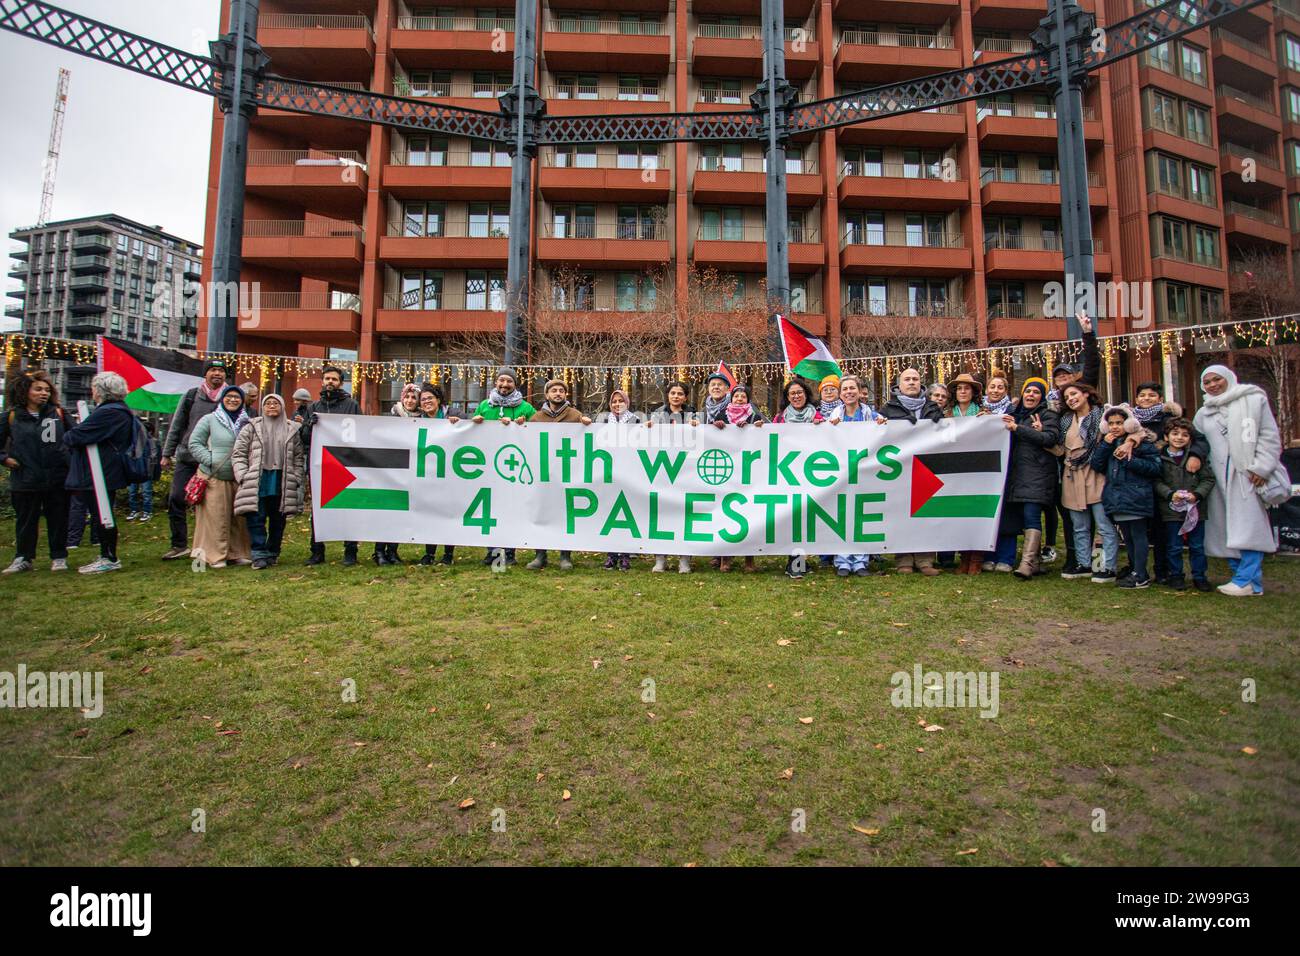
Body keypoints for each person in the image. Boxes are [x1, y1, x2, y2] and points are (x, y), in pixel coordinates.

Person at [1193, 365, 1283, 597]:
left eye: (1217, 380)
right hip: (1218, 479)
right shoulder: (1204, 413)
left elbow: (1269, 436)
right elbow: (1199, 443)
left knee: (1249, 526)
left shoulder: (1252, 400)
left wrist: (1262, 466)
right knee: (1226, 529)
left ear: (1229, 378)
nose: (1213, 385)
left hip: (1246, 474)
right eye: (1207, 382)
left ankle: (1246, 579)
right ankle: (1247, 579)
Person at [1131, 380, 1208, 585]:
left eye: (1151, 395)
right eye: (1142, 395)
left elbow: (1198, 439)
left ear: (1160, 399)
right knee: (1142, 527)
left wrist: (1196, 456)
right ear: (1136, 399)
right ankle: (1139, 568)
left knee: (1162, 528)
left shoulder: (1171, 419)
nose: (1146, 399)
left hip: (1167, 477)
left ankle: (1164, 570)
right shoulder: (1130, 419)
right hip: (1139, 479)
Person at [61, 371, 135, 574]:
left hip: (101, 471)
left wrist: (73, 432)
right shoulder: (117, 411)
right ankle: (106, 553)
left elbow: (75, 436)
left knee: (103, 515)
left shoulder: (110, 413)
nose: (91, 392)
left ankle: (109, 556)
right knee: (102, 514)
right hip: (102, 470)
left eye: (94, 388)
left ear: (102, 390)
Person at [1045, 312, 1101, 569]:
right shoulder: (1059, 410)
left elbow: (1092, 366)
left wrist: (1088, 334)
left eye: (1068, 378)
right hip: (1066, 467)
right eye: (1058, 379)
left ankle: (1100, 562)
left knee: (1099, 518)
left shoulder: (1091, 407)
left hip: (1092, 468)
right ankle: (1076, 559)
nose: (1064, 383)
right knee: (1072, 516)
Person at [1, 369, 70, 574]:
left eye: (47, 390)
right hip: (25, 477)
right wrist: (5, 459)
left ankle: (59, 556)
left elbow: (75, 438)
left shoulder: (58, 414)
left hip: (56, 477)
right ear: (25, 391)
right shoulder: (12, 417)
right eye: (38, 389)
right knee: (26, 519)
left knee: (58, 518)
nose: (44, 393)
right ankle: (23, 557)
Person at [159, 359, 228, 560]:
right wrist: (166, 453)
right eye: (213, 370)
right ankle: (179, 544)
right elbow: (177, 425)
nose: (217, 374)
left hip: (216, 460)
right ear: (205, 374)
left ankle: (211, 544)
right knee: (177, 498)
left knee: (212, 505)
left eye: (221, 371)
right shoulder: (191, 396)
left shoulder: (230, 397)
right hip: (188, 457)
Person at [1090, 404, 1161, 589]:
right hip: (1117, 497)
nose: (1114, 427)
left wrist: (1130, 460)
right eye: (1111, 423)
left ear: (1128, 423)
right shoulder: (1109, 442)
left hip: (1136, 496)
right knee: (1127, 536)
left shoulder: (1142, 444)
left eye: (1119, 423)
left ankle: (1141, 573)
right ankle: (1134, 569)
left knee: (1138, 536)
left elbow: (1155, 468)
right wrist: (1105, 445)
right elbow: (1097, 464)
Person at [232, 393, 305, 570]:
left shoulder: (292, 429)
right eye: (268, 403)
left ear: (282, 407)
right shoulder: (251, 427)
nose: (272, 406)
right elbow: (239, 453)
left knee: (278, 518)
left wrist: (296, 476)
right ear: (263, 407)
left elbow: (298, 456)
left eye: (275, 403)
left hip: (282, 478)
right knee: (256, 517)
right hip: (257, 478)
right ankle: (258, 554)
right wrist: (242, 475)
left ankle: (273, 552)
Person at [1054, 382, 1119, 583]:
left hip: (1095, 472)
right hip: (1071, 474)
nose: (1071, 399)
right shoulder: (1065, 420)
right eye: (1066, 397)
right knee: (1078, 525)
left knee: (1103, 523)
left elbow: (1123, 430)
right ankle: (1084, 563)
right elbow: (1060, 449)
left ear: (1085, 393)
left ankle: (1108, 566)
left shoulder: (1102, 415)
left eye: (1073, 394)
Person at [997, 378, 1061, 579]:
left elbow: (1050, 439)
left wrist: (1019, 429)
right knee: (1022, 518)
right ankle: (1037, 562)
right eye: (1028, 391)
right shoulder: (1014, 414)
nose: (1031, 395)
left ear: (1041, 397)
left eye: (1036, 392)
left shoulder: (1047, 415)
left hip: (1038, 475)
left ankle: (1027, 563)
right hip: (1016, 475)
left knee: (1032, 516)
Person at [882, 368, 944, 575]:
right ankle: (904, 560)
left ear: (921, 384)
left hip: (926, 466)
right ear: (898, 385)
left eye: (915, 379)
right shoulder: (889, 409)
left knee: (925, 512)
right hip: (899, 468)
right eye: (907, 379)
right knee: (900, 513)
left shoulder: (933, 408)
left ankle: (925, 560)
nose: (911, 382)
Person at [472, 367, 535, 566]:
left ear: (515, 385)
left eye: (509, 381)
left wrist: (524, 425)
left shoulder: (526, 408)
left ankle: (509, 553)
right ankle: (492, 552)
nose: (505, 385)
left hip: (513, 468)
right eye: (501, 381)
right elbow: (470, 432)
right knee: (492, 509)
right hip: (487, 466)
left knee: (511, 508)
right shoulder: (484, 405)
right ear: (495, 383)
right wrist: (473, 422)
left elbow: (540, 432)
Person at [301, 366, 363, 566]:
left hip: (345, 464)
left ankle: (350, 550)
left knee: (348, 509)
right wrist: (309, 426)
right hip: (321, 465)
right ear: (322, 381)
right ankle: (317, 551)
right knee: (318, 511)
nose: (330, 382)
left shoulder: (351, 405)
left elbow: (361, 432)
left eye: (334, 379)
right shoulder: (314, 406)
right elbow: (304, 438)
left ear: (341, 383)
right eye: (327, 378)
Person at [527, 379, 591, 570]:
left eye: (561, 391)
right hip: (544, 474)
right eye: (554, 390)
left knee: (565, 513)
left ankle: (565, 555)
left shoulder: (575, 415)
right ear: (547, 395)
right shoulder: (537, 418)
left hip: (566, 473)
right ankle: (540, 554)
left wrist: (587, 424)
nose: (558, 393)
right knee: (542, 512)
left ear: (566, 395)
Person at [188, 384, 253, 569]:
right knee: (216, 518)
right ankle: (215, 555)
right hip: (214, 476)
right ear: (222, 399)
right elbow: (195, 443)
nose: (233, 400)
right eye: (229, 396)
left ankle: (236, 552)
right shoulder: (209, 419)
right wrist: (210, 459)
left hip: (238, 477)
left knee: (237, 518)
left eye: (237, 397)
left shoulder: (246, 421)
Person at [827, 375, 882, 577]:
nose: (849, 392)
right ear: (840, 394)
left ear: (859, 392)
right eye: (845, 389)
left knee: (859, 516)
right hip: (841, 472)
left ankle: (860, 562)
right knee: (841, 515)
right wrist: (828, 427)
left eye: (852, 388)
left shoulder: (870, 414)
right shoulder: (834, 415)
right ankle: (842, 561)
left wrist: (882, 425)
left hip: (863, 471)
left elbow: (882, 434)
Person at [1154, 417, 1216, 592]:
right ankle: (1175, 575)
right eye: (1175, 434)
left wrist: (1196, 495)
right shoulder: (1160, 457)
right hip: (1170, 511)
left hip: (1195, 510)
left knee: (1197, 545)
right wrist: (1169, 494)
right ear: (1166, 437)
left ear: (1190, 438)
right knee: (1174, 546)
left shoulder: (1196, 457)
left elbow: (1209, 479)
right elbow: (1156, 482)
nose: (1179, 438)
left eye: (1184, 435)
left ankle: (1200, 576)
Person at [772, 378, 822, 578]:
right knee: (791, 520)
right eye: (792, 393)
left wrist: (823, 426)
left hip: (811, 474)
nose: (796, 396)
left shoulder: (817, 416)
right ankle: (795, 562)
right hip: (787, 475)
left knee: (803, 520)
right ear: (787, 398)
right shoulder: (779, 419)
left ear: (806, 394)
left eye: (799, 392)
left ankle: (799, 562)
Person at [711, 383, 763, 573]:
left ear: (748, 399)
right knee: (726, 515)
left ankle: (750, 560)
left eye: (743, 396)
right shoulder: (722, 414)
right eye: (736, 396)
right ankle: (726, 558)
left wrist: (753, 427)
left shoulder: (754, 415)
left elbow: (763, 433)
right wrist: (716, 426)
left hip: (749, 471)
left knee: (751, 514)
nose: (739, 399)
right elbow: (710, 434)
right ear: (731, 398)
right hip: (727, 471)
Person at [647, 382, 697, 573]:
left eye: (680, 394)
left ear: (685, 397)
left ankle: (684, 559)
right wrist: (647, 428)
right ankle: (661, 558)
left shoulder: (694, 415)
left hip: (685, 469)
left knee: (685, 515)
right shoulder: (657, 414)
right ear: (668, 395)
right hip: (662, 468)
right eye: (673, 393)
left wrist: (698, 427)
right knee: (661, 514)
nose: (676, 396)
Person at [373, 384, 423, 566]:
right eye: (407, 397)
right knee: (387, 513)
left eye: (413, 398)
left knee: (400, 514)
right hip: (391, 471)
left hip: (408, 473)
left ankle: (392, 551)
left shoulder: (422, 419)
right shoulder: (391, 417)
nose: (410, 401)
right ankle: (379, 551)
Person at [595, 389, 643, 570]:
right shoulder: (603, 421)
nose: (617, 404)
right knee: (609, 514)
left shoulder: (636, 420)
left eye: (620, 401)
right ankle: (611, 554)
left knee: (626, 514)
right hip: (608, 473)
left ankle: (625, 555)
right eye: (614, 401)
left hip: (628, 473)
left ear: (627, 403)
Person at [416, 383, 459, 566]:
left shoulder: (454, 414)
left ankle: (448, 554)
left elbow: (472, 428)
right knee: (430, 514)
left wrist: (459, 423)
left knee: (449, 513)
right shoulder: (417, 421)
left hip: (452, 472)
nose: (427, 402)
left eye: (430, 398)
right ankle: (429, 553)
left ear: (438, 400)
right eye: (423, 399)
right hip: (429, 474)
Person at [125, 417, 157, 521]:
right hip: (135, 469)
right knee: (132, 492)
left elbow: (153, 455)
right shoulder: (132, 440)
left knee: (146, 492)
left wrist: (150, 470)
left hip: (145, 470)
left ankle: (147, 511)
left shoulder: (150, 441)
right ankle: (134, 510)